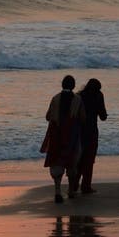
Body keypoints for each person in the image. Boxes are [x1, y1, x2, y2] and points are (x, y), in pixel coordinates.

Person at [42, 75, 86, 203]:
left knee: (57, 162)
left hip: (56, 135)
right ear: (73, 86)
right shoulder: (78, 99)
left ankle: (57, 191)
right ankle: (71, 191)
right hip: (72, 134)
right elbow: (83, 118)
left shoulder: (55, 98)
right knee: (72, 162)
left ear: (62, 85)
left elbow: (48, 116)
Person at [76, 78, 107, 194]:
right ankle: (86, 186)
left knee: (78, 159)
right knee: (89, 160)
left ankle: (74, 185)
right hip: (92, 131)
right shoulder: (98, 96)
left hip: (79, 132)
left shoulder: (79, 96)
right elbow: (103, 116)